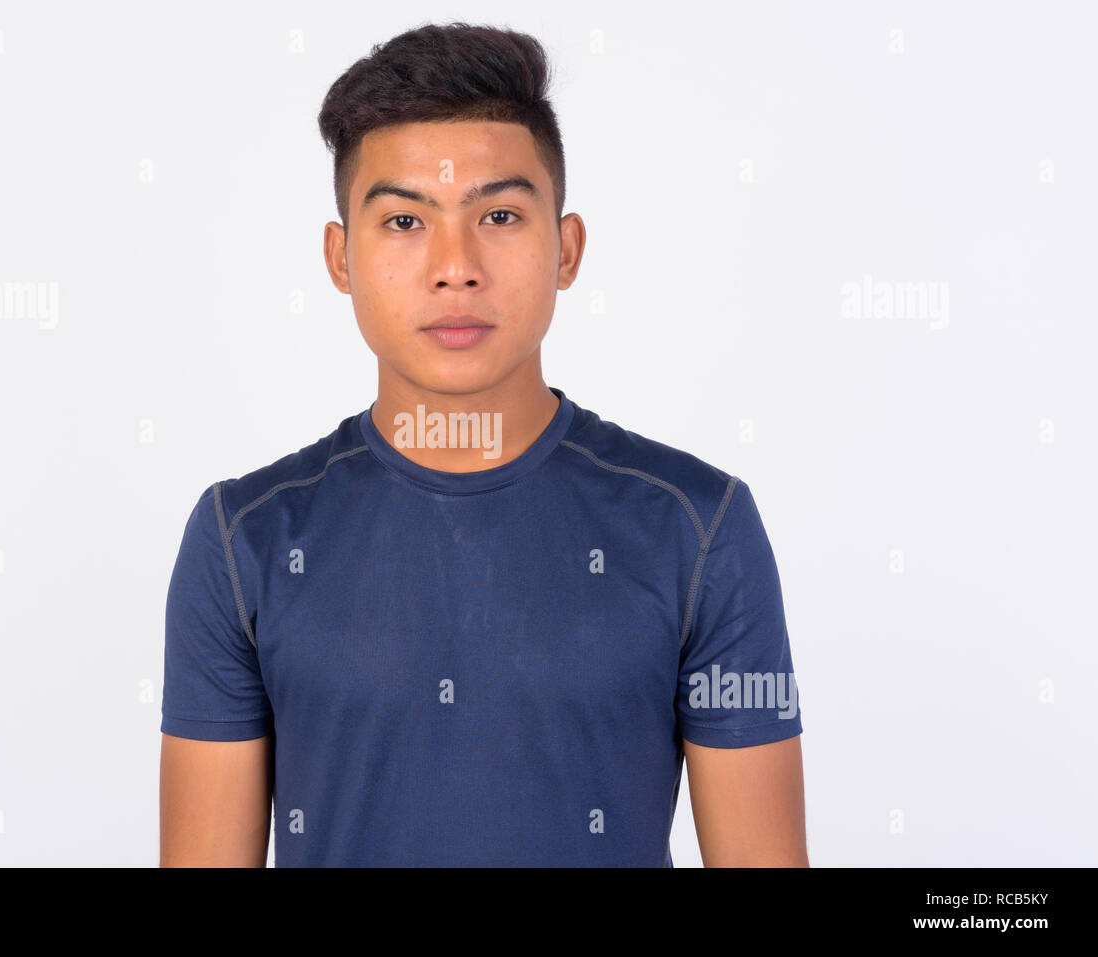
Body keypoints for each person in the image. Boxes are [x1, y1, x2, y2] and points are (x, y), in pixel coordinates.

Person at [158, 21, 807, 867]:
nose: (454, 266)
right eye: (403, 222)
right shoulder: (242, 540)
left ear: (566, 249)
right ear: (340, 257)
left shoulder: (700, 527)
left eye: (498, 214)